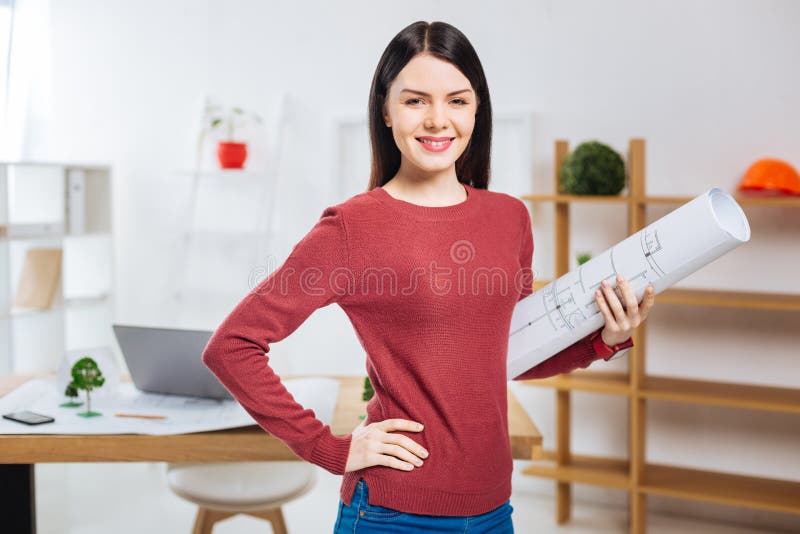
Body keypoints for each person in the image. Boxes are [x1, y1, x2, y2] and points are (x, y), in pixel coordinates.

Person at [202, 20, 656, 533]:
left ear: (477, 108)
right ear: (386, 109)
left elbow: (497, 359)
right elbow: (231, 346)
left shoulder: (509, 218)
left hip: (493, 508)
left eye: (457, 101)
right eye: (416, 100)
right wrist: (329, 447)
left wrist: (603, 341)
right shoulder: (352, 226)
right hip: (391, 513)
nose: (439, 120)